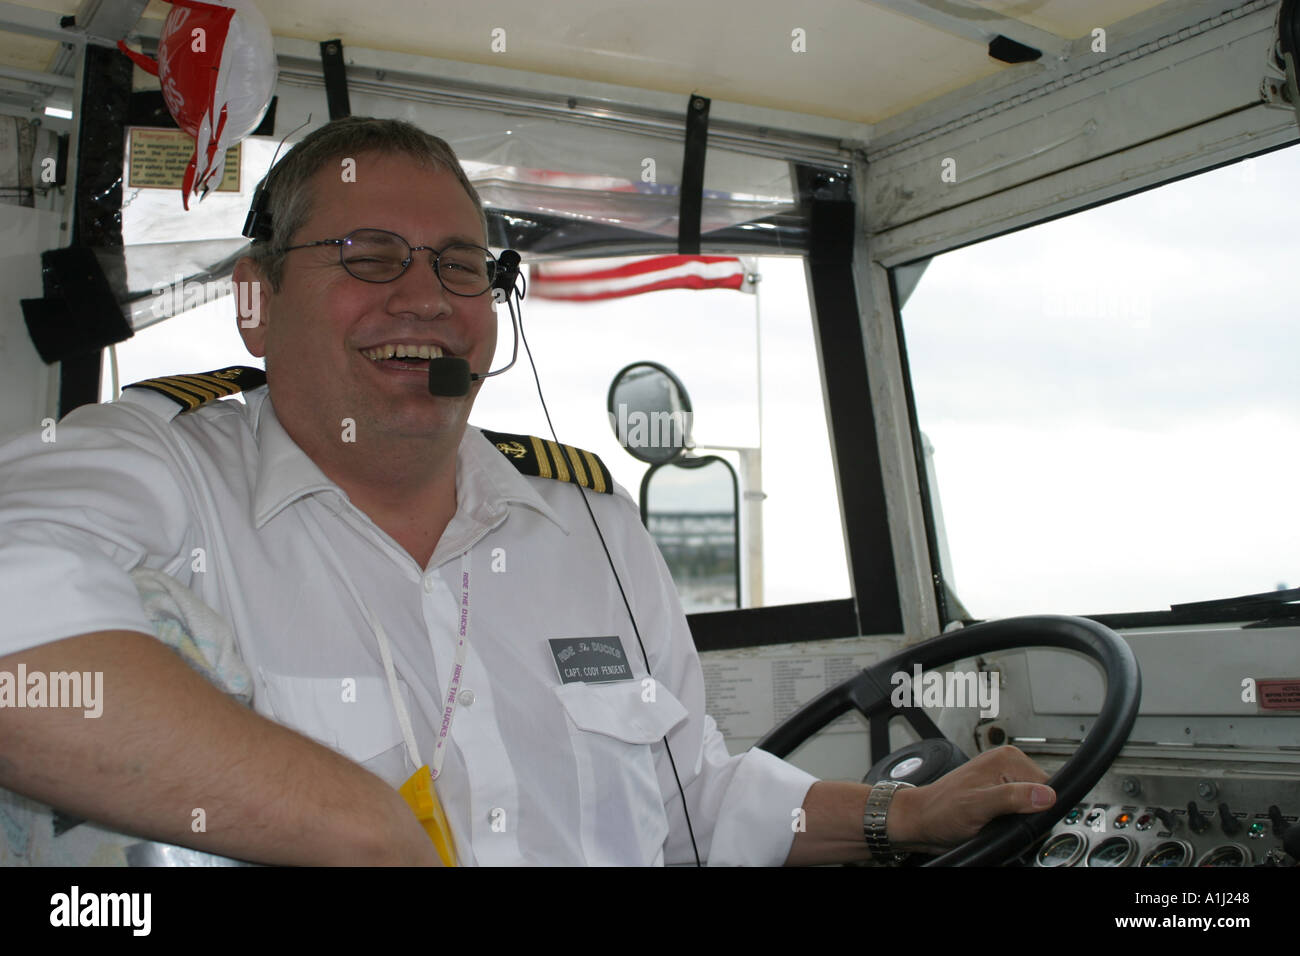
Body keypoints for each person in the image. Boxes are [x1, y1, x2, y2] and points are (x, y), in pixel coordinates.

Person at [0, 116, 1054, 866]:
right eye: (368, 256)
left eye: (462, 265)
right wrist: (365, 831)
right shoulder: (165, 466)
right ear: (256, 303)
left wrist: (892, 819)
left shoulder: (588, 522)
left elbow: (693, 798)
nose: (426, 295)